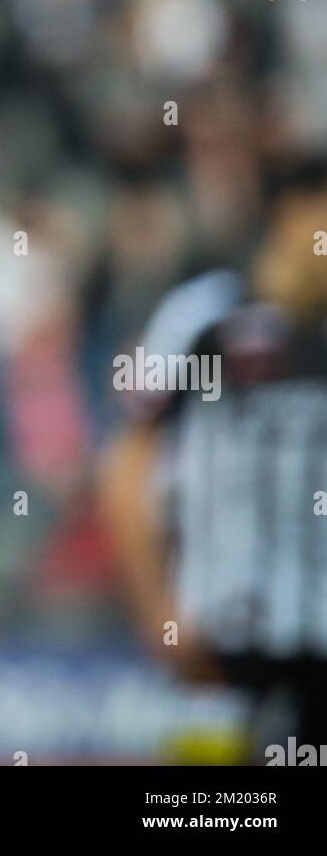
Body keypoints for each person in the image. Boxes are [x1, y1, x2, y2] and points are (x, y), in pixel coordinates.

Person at [97, 163, 327, 762]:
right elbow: (128, 461)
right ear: (291, 216)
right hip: (217, 642)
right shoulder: (205, 314)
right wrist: (156, 609)